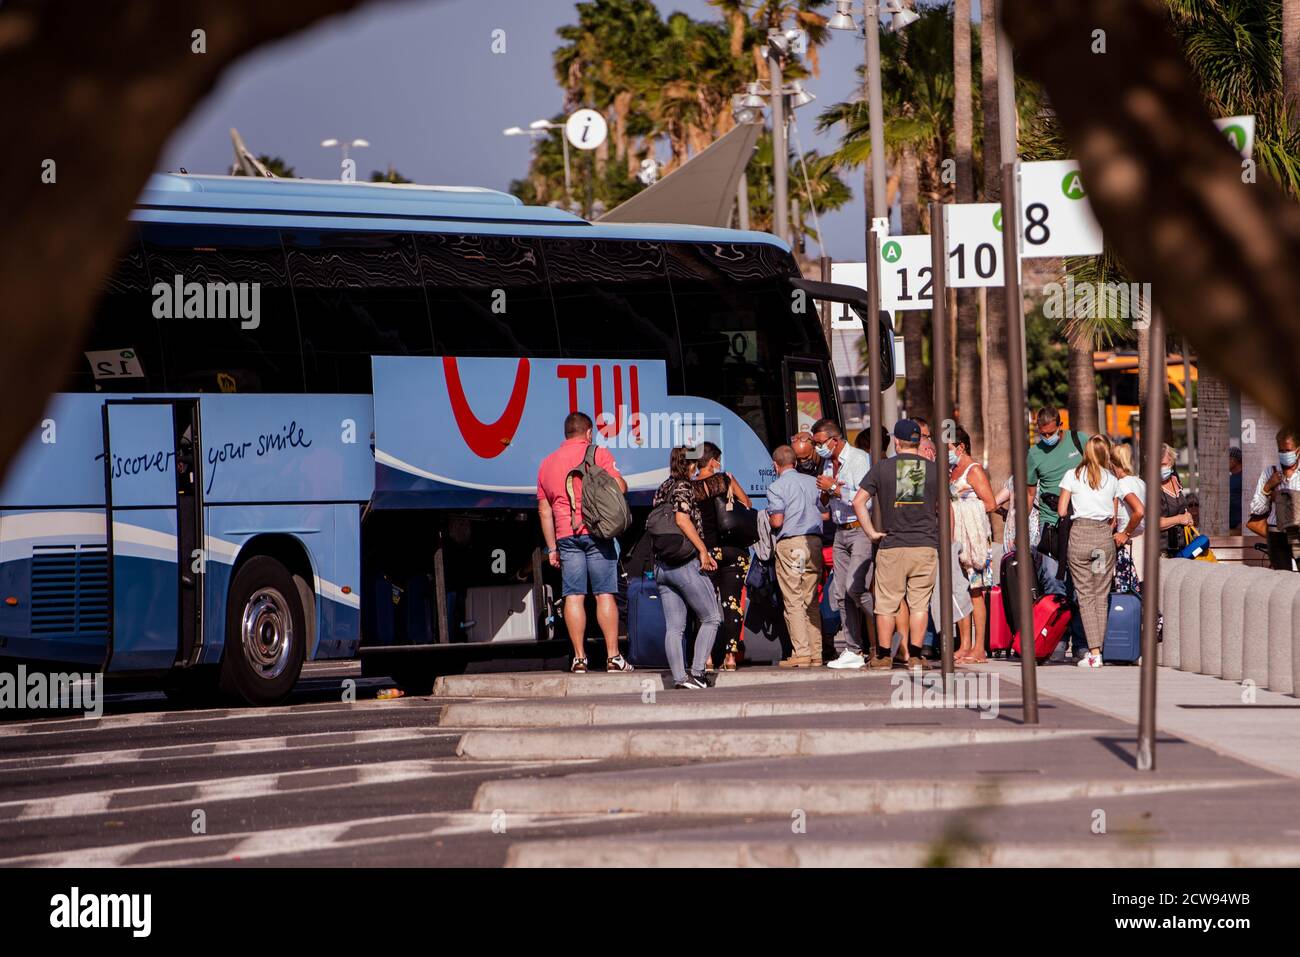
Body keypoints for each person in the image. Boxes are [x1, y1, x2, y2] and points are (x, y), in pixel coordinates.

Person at [537, 412, 633, 674]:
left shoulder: (546, 464)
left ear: (566, 433)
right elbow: (620, 487)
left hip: (566, 536)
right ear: (589, 433)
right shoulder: (599, 454)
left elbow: (544, 511)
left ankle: (579, 659)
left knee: (574, 596)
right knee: (604, 594)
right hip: (597, 533)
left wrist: (552, 547)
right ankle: (613, 657)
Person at [853, 419, 940, 672]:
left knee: (886, 604)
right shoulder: (934, 469)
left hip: (892, 545)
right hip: (925, 545)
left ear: (896, 442)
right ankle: (915, 655)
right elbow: (944, 507)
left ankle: (882, 656)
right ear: (918, 441)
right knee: (920, 604)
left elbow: (859, 502)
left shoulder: (882, 468)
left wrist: (871, 533)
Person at [652, 447, 722, 690]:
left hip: (662, 566)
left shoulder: (663, 488)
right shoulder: (684, 487)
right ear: (691, 465)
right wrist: (703, 550)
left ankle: (680, 679)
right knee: (711, 617)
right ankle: (699, 673)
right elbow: (682, 519)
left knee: (674, 628)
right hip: (684, 563)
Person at [811, 418, 875, 670]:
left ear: (834, 440)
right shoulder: (828, 464)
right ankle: (853, 649)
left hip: (859, 530)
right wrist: (826, 495)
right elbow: (822, 505)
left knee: (855, 588)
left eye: (819, 443)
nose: (817, 448)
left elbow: (866, 501)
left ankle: (885, 631)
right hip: (840, 531)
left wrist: (835, 490)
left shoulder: (859, 459)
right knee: (841, 594)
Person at [1026, 406, 1089, 658]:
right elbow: (1030, 492)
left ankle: (1082, 641)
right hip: (1050, 523)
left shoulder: (1079, 440)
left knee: (1079, 583)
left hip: (1080, 521)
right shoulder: (1033, 453)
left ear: (1060, 427)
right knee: (1054, 582)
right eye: (1042, 434)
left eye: (1050, 433)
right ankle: (1058, 637)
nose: (1046, 438)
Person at [1056, 435, 1120, 668]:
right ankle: (1098, 650)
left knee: (1085, 595)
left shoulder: (1072, 475)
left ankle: (1094, 653)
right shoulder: (1112, 480)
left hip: (1080, 537)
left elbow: (1062, 511)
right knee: (1100, 595)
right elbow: (1113, 517)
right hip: (1102, 540)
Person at [691, 441, 751, 671]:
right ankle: (730, 658)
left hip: (707, 552)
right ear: (714, 460)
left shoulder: (691, 486)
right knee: (732, 603)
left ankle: (706, 658)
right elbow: (746, 504)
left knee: (704, 606)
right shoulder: (725, 479)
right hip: (734, 551)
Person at [766, 445, 826, 667]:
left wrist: (769, 518)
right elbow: (825, 511)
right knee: (810, 599)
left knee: (793, 599)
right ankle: (816, 652)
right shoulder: (812, 482)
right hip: (814, 543)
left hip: (792, 544)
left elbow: (778, 521)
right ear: (796, 462)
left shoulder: (776, 487)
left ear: (776, 465)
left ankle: (801, 652)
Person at [948, 426, 997, 664]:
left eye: (947, 448)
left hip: (974, 540)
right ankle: (964, 643)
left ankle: (979, 647)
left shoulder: (973, 470)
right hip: (956, 539)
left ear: (960, 447)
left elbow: (990, 503)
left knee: (976, 592)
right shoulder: (950, 471)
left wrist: (963, 509)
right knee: (960, 592)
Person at [1247, 427, 1300, 537]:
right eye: (1281, 451)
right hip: (1275, 533)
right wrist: (1267, 487)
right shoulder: (1269, 472)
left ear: (1298, 451)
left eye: (1288, 450)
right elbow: (1256, 510)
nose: (1284, 454)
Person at [1109, 442, 1147, 590]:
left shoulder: (1122, 484)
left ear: (1112, 464)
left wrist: (1125, 533)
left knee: (1128, 593)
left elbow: (1139, 511)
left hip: (1129, 547)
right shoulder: (1139, 482)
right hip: (1141, 543)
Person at [1157, 444, 1196, 556]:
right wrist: (1179, 519)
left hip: (1184, 546)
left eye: (1163, 464)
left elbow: (1182, 509)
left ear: (1171, 462)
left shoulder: (1176, 480)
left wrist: (1188, 517)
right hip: (1163, 551)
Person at [1228, 446, 1244, 533]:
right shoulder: (1230, 478)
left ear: (1235, 460)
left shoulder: (1244, 478)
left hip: (1240, 524)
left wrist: (1243, 521)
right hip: (1230, 523)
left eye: (1228, 458)